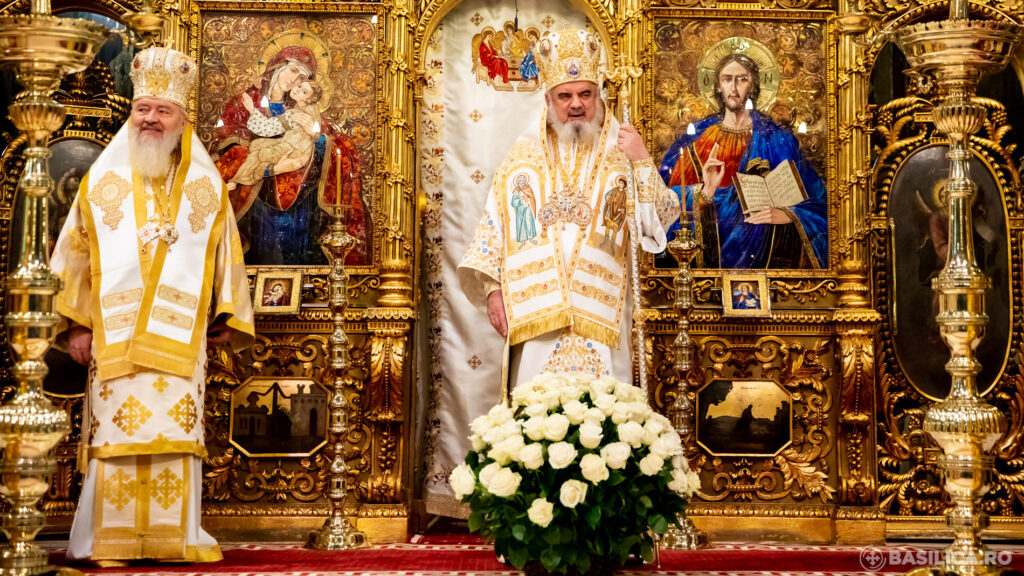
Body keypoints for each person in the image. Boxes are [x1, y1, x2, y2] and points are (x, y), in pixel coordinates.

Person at [51, 46, 254, 566]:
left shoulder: (205, 187)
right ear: (132, 112)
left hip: (182, 339)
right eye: (144, 109)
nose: (151, 119)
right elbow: (73, 253)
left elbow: (227, 254)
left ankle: (175, 539)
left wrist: (226, 316)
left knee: (172, 437)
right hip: (113, 342)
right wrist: (76, 325)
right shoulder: (102, 183)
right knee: (116, 437)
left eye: (163, 110)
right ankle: (106, 541)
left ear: (182, 119)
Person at [458, 29, 680, 387]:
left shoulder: (622, 150)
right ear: (548, 98)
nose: (576, 104)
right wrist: (492, 291)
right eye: (565, 95)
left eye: (585, 94)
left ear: (597, 95)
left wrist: (640, 160)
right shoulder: (522, 156)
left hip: (602, 311)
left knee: (609, 417)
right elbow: (492, 229)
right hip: (536, 314)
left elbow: (661, 221)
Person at [659, 52, 827, 269]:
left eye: (742, 79)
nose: (734, 88)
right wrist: (706, 193)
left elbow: (819, 204)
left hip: (768, 257)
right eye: (727, 79)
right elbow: (665, 204)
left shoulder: (778, 139)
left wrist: (789, 215)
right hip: (709, 256)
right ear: (718, 85)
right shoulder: (696, 141)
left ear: (753, 85)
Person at [213, 44, 365, 266]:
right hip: (258, 204)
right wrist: (272, 169)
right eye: (294, 71)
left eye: (302, 78)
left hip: (302, 204)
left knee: (299, 256)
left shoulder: (301, 109)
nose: (296, 81)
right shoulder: (243, 103)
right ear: (277, 67)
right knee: (264, 256)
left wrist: (318, 139)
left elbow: (333, 146)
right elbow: (229, 151)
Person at [229, 79, 324, 189]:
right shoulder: (312, 109)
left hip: (292, 150)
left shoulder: (295, 114)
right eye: (299, 86)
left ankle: (238, 181)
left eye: (304, 92)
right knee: (257, 144)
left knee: (260, 154)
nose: (298, 90)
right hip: (298, 147)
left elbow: (267, 128)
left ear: (309, 99)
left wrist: (251, 110)